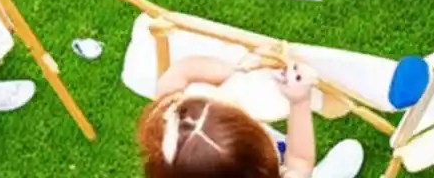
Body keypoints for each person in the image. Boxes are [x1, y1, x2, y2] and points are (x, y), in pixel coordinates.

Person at [137, 55, 365, 177]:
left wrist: (237, 72)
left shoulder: (169, 113)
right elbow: (299, 162)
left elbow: (182, 70)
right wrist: (300, 101)